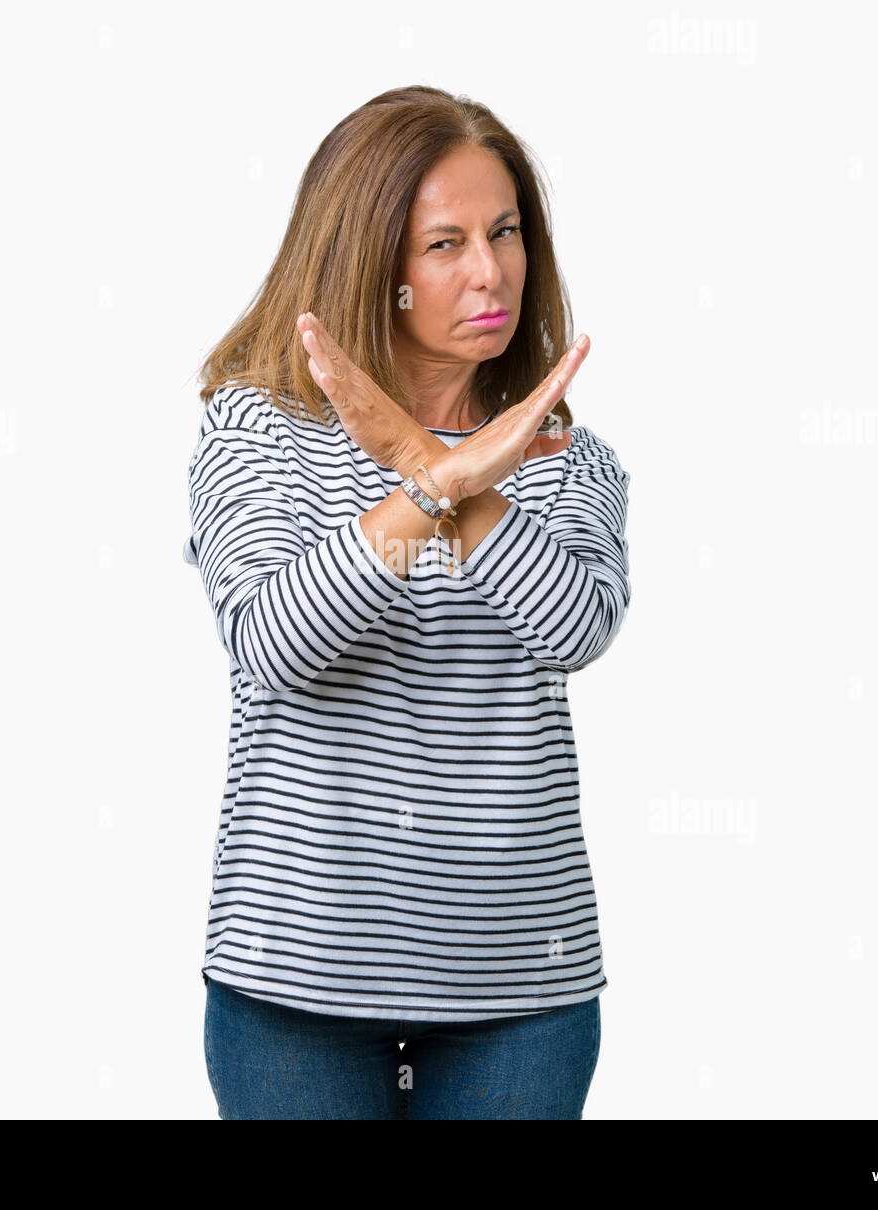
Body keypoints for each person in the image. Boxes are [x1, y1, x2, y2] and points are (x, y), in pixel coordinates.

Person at [187, 85, 631, 1120]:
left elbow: (575, 627)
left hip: (521, 988)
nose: (492, 271)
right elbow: (273, 643)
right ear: (371, 263)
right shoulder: (257, 431)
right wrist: (432, 481)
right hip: (295, 978)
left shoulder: (568, 459)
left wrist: (428, 465)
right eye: (445, 244)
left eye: (506, 232)